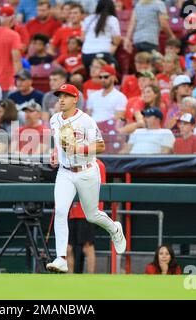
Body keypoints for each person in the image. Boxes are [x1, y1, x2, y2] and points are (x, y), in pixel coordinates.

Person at [45, 83, 126, 273]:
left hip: (87, 170)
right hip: (65, 171)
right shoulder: (54, 119)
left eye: (66, 96)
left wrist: (79, 148)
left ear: (75, 99)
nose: (61, 100)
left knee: (92, 215)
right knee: (61, 211)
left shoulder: (86, 120)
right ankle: (61, 259)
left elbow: (101, 146)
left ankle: (114, 229)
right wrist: (55, 152)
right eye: (59, 96)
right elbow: (59, 141)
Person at [67, 158, 106, 274]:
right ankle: (68, 282)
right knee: (68, 249)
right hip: (73, 212)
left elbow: (98, 188)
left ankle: (91, 280)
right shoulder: (71, 164)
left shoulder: (98, 165)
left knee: (87, 247)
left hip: (88, 212)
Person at [81, 0, 120, 72]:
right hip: (103, 54)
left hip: (86, 54)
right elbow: (116, 41)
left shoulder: (88, 19)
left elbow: (82, 38)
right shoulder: (112, 19)